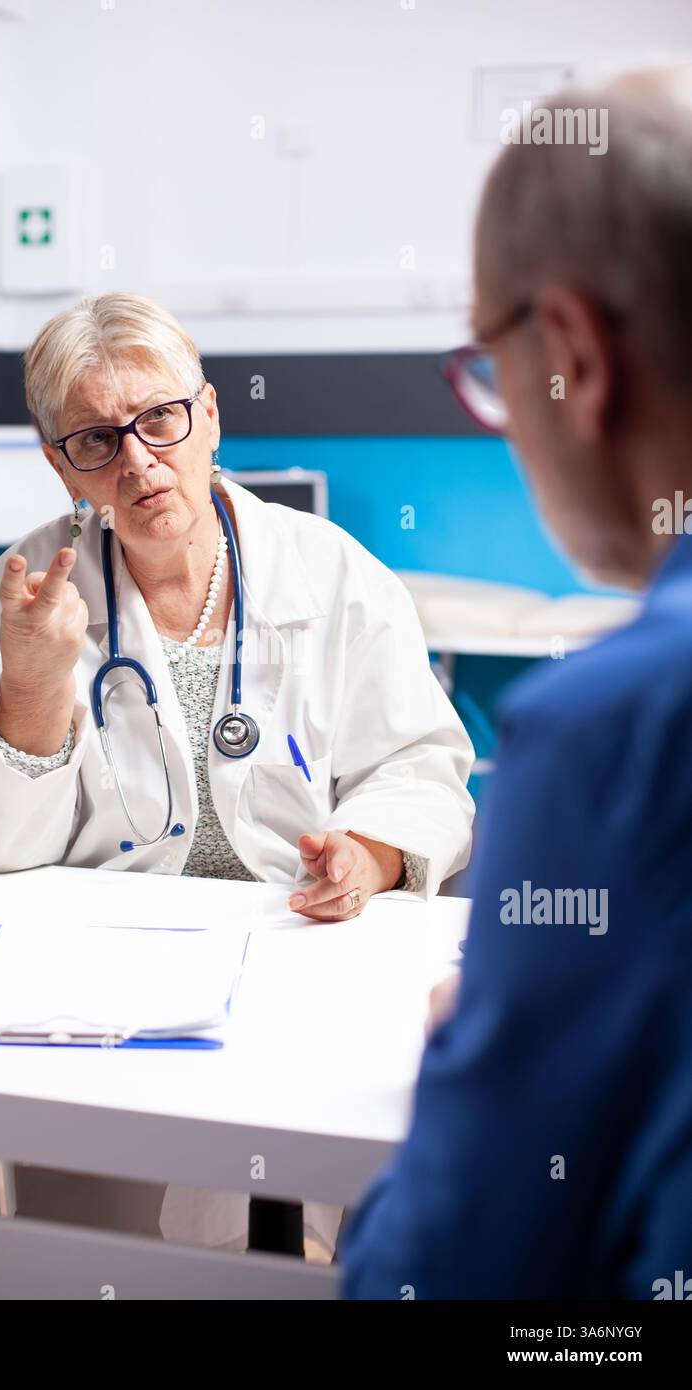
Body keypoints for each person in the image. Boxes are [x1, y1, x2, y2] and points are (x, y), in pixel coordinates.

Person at [0, 291, 475, 1252]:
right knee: (81, 1241)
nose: (139, 459)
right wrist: (31, 678)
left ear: (210, 416)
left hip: (300, 949)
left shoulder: (337, 575)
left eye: (159, 418)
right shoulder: (19, 596)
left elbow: (425, 766)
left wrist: (368, 853)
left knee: (258, 1230)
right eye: (97, 440)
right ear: (62, 464)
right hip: (109, 962)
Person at [343, 69, 692, 1298]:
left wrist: (488, 1048)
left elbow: (443, 1276)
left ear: (572, 356)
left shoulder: (615, 727)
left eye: (485, 366)